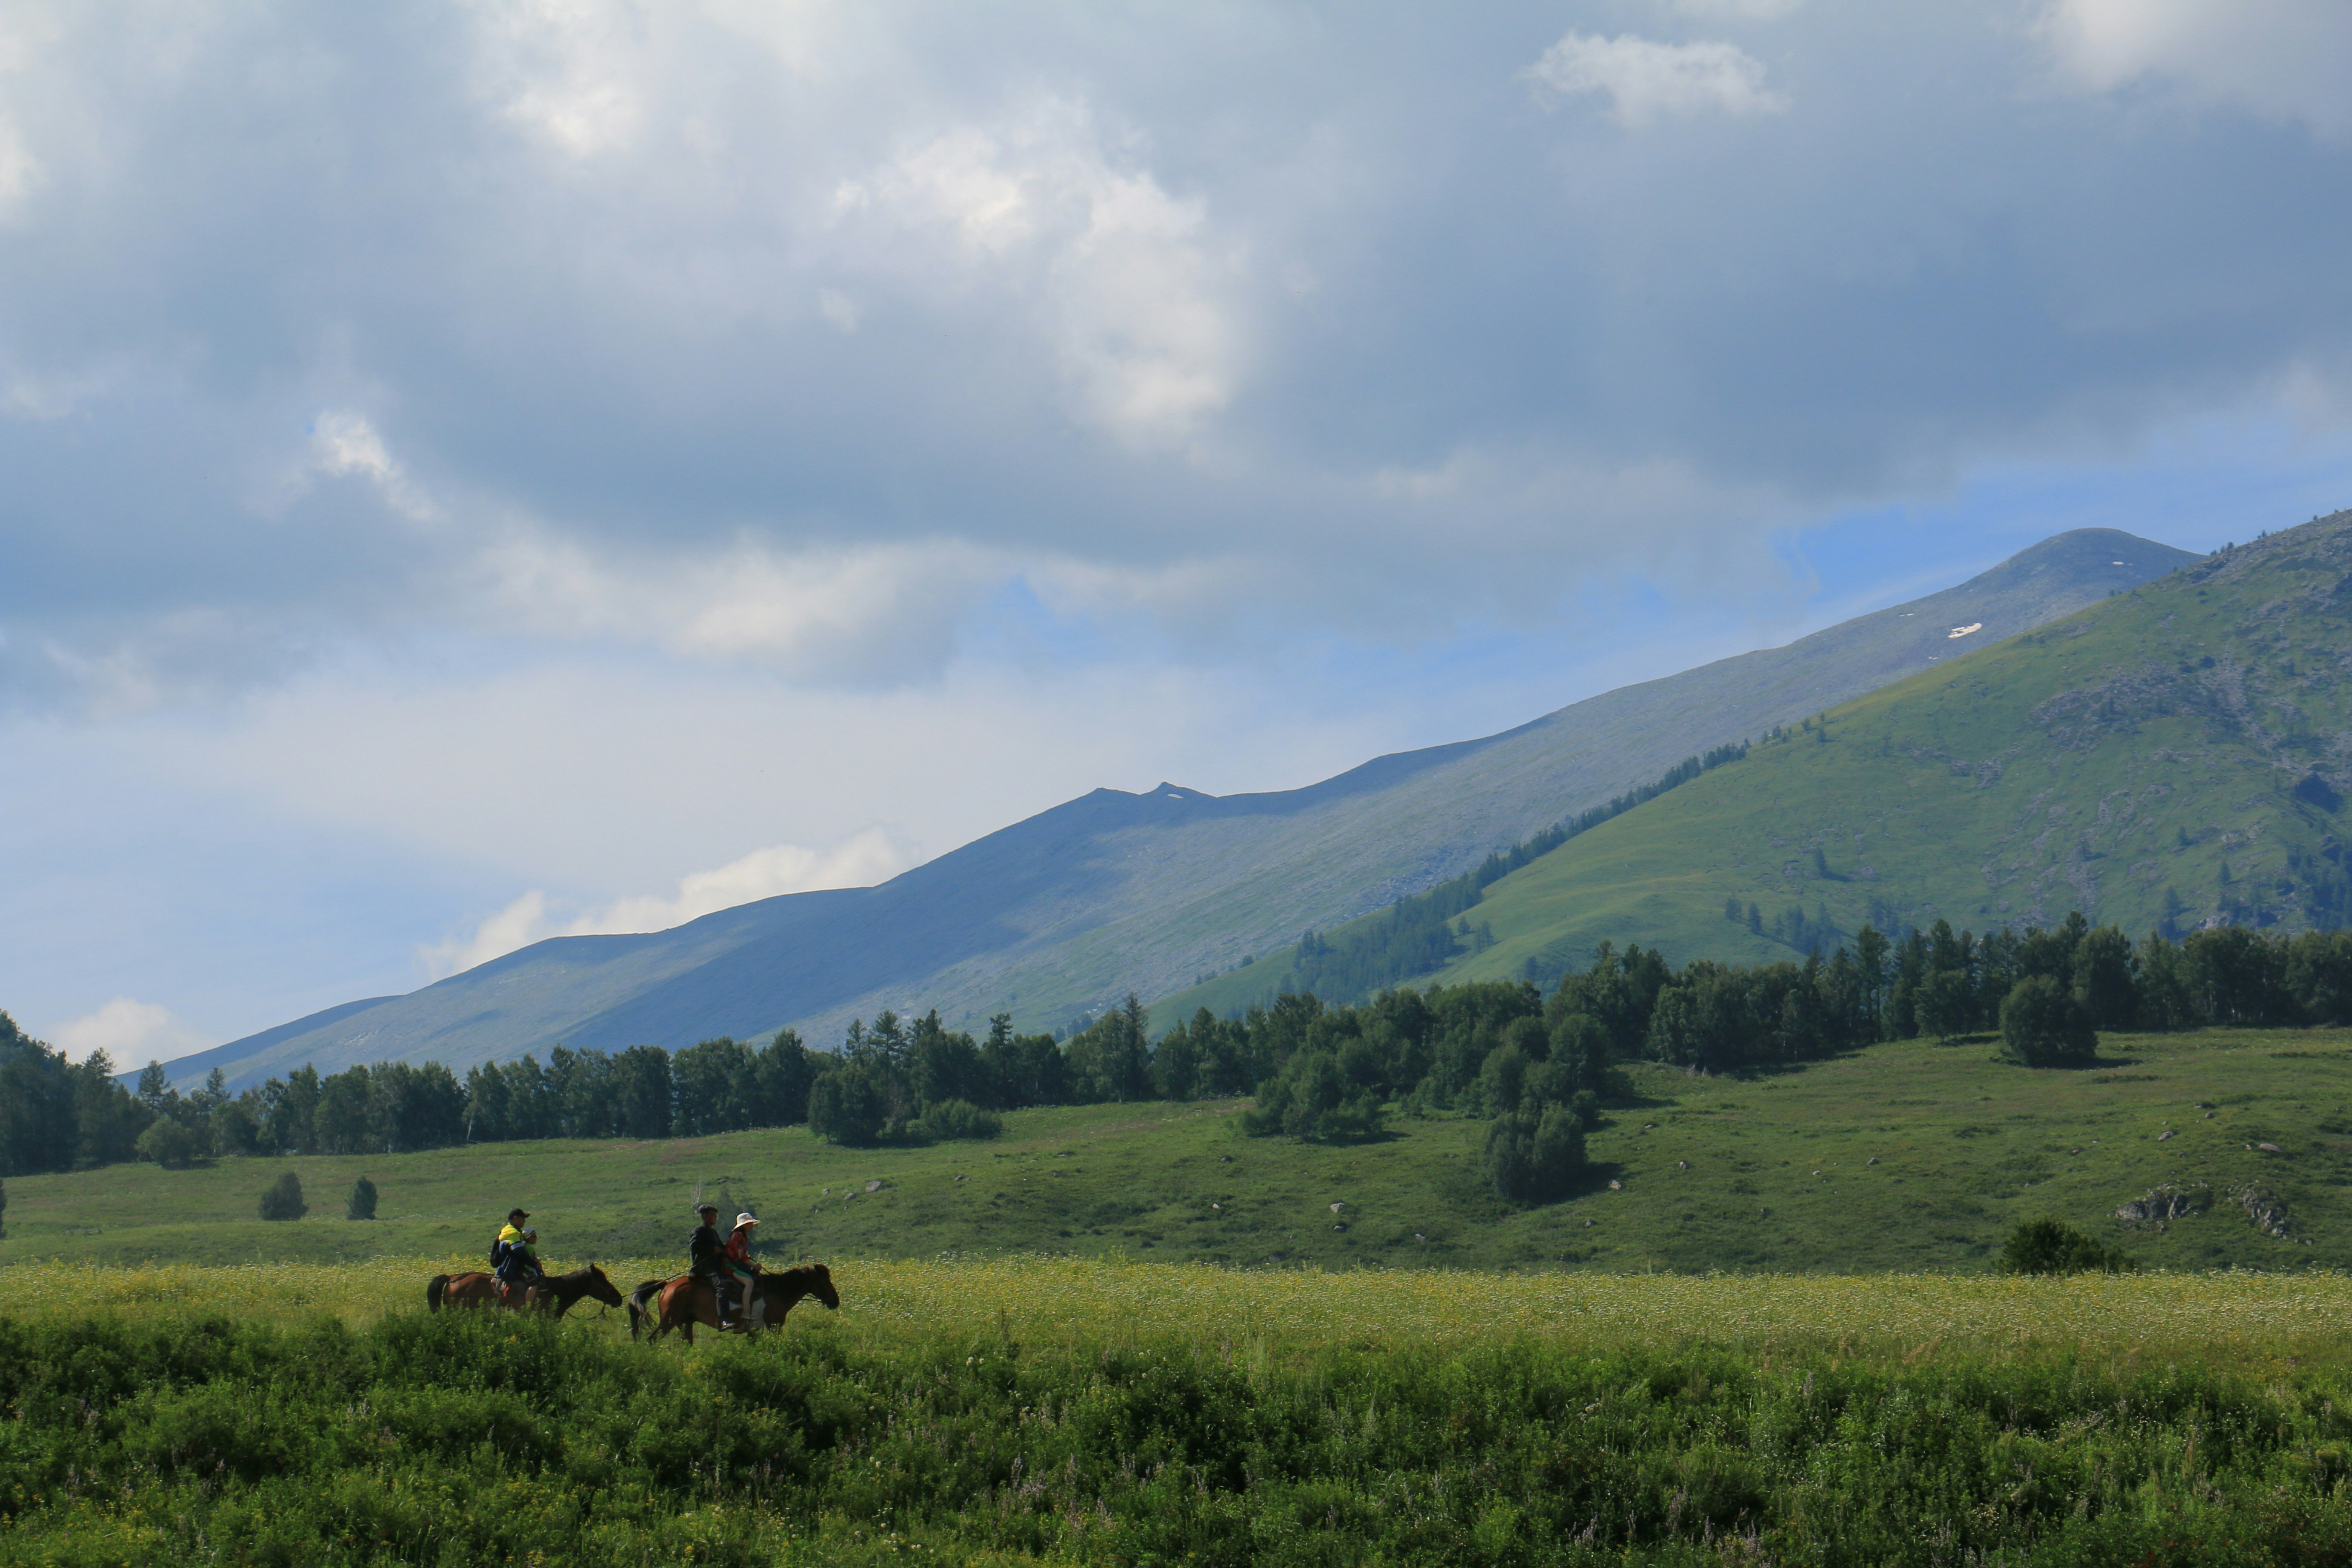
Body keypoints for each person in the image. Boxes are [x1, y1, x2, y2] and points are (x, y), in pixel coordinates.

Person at [688, 1203, 735, 1328]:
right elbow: (695, 1247)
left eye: (716, 1215)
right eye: (712, 1215)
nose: (715, 1217)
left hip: (714, 1268)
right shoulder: (699, 1230)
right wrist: (712, 1250)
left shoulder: (713, 1232)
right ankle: (723, 1319)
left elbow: (722, 1247)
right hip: (704, 1269)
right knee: (722, 1287)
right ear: (704, 1216)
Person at [493, 1207, 542, 1305]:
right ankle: (528, 1309)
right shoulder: (512, 1232)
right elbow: (519, 1251)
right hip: (511, 1267)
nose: (524, 1221)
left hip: (511, 1265)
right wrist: (534, 1264)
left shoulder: (511, 1230)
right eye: (523, 1218)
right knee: (534, 1281)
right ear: (515, 1218)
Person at [723, 1211, 764, 1321]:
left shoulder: (738, 1236)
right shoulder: (739, 1236)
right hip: (731, 1266)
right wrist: (755, 1266)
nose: (752, 1226)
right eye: (750, 1223)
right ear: (744, 1225)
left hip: (734, 1264)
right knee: (749, 1283)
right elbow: (741, 1257)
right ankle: (746, 1312)